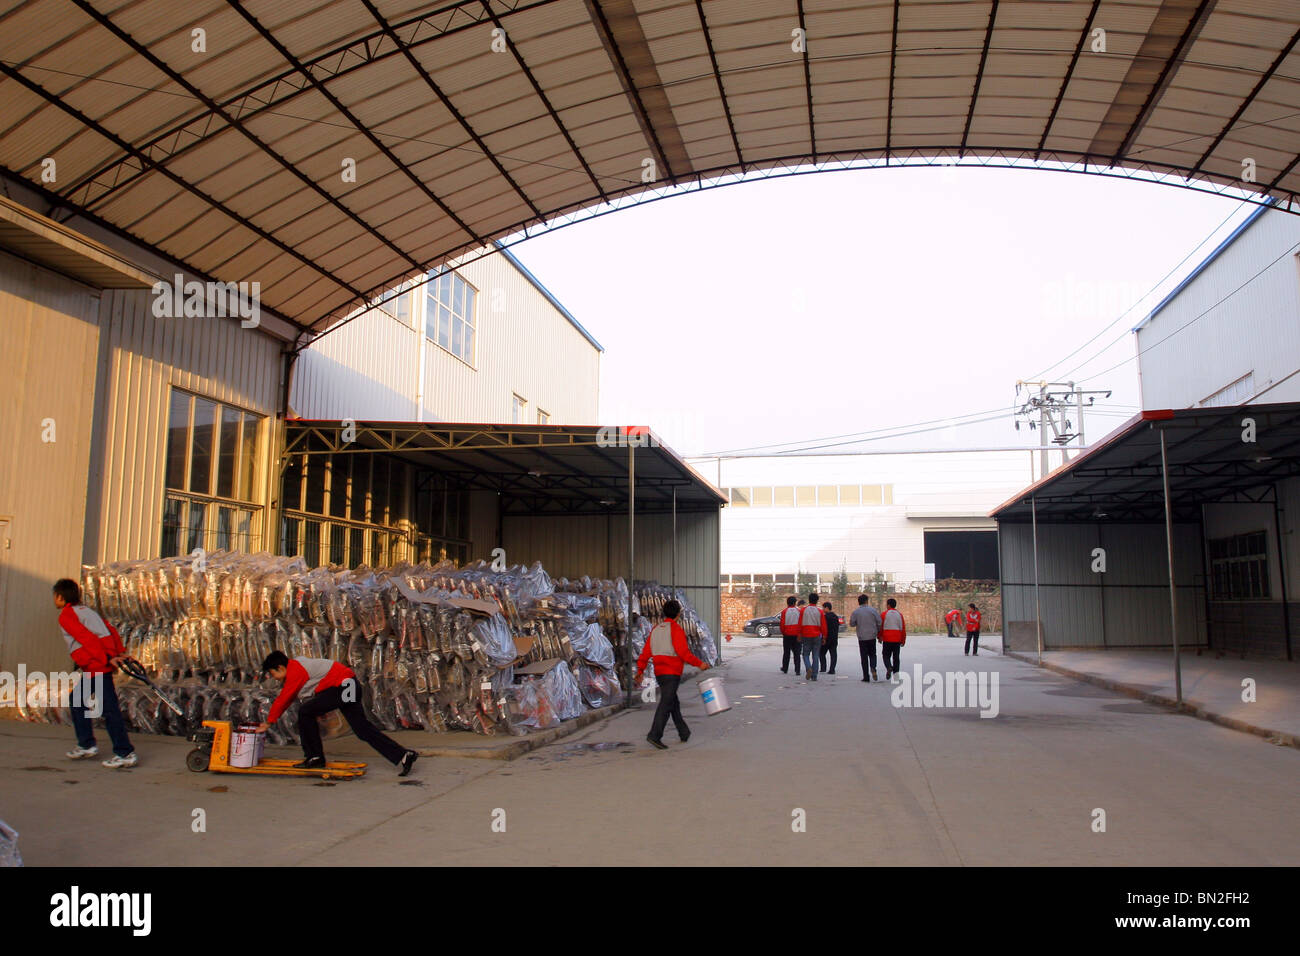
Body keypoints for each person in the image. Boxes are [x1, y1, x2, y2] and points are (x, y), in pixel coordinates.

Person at [257, 651, 418, 775]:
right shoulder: (298, 666)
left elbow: (285, 698)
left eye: (273, 674)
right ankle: (404, 755)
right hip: (349, 685)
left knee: (305, 712)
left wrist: (269, 722)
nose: (275, 678)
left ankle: (315, 757)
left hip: (343, 687)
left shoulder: (295, 670)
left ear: (280, 667)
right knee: (362, 729)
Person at [53, 578, 138, 768]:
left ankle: (125, 753)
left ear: (60, 597)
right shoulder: (87, 611)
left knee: (109, 709)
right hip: (96, 664)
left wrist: (107, 658)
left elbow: (87, 639)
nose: (54, 600)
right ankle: (86, 744)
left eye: (55, 596)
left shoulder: (67, 615)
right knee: (77, 700)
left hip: (97, 664)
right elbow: (110, 630)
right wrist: (119, 652)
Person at [636, 599, 709, 749]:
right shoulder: (676, 630)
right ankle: (654, 735)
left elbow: (645, 653)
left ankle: (684, 732)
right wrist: (699, 663)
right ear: (678, 614)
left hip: (660, 673)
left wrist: (640, 670)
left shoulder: (655, 630)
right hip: (672, 672)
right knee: (666, 703)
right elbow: (683, 653)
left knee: (673, 703)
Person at [848, 594, 882, 682]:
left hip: (862, 637)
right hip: (872, 636)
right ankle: (873, 668)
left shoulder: (856, 612)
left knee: (864, 657)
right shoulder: (873, 611)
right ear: (867, 601)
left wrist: (858, 622)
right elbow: (879, 622)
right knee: (872, 654)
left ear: (859, 602)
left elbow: (852, 623)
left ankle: (866, 676)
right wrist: (878, 631)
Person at [798, 592, 826, 681]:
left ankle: (808, 667)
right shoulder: (820, 611)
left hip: (806, 635)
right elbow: (823, 625)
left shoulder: (803, 610)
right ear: (817, 601)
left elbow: (800, 623)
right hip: (817, 635)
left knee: (805, 654)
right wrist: (824, 636)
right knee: (815, 655)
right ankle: (814, 675)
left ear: (809, 600)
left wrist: (799, 634)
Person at [880, 598, 906, 680]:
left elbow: (881, 627)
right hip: (897, 638)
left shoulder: (884, 614)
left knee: (885, 655)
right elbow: (903, 628)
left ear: (888, 605)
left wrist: (879, 636)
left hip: (887, 638)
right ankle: (896, 675)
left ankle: (889, 667)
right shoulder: (900, 615)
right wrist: (903, 639)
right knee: (896, 657)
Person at [778, 596, 802, 675]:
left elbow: (782, 624)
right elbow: (801, 623)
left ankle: (785, 668)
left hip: (787, 634)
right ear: (795, 603)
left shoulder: (784, 611)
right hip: (797, 634)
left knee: (786, 652)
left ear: (787, 602)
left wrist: (783, 632)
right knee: (797, 653)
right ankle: (797, 670)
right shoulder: (799, 611)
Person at [818, 601, 840, 674]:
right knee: (833, 654)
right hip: (834, 638)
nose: (822, 609)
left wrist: (823, 638)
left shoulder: (825, 617)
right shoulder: (835, 616)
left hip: (826, 638)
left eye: (823, 608)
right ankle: (832, 669)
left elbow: (823, 627)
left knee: (821, 653)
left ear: (827, 608)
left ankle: (823, 667)